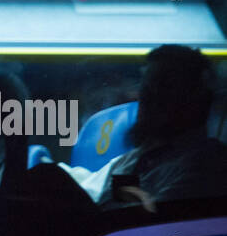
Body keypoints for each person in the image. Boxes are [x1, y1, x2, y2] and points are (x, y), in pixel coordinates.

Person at [97, 45, 227, 207]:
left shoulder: (208, 163)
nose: (145, 95)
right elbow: (116, 208)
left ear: (197, 97)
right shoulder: (133, 160)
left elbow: (139, 223)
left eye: (164, 85)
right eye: (145, 84)